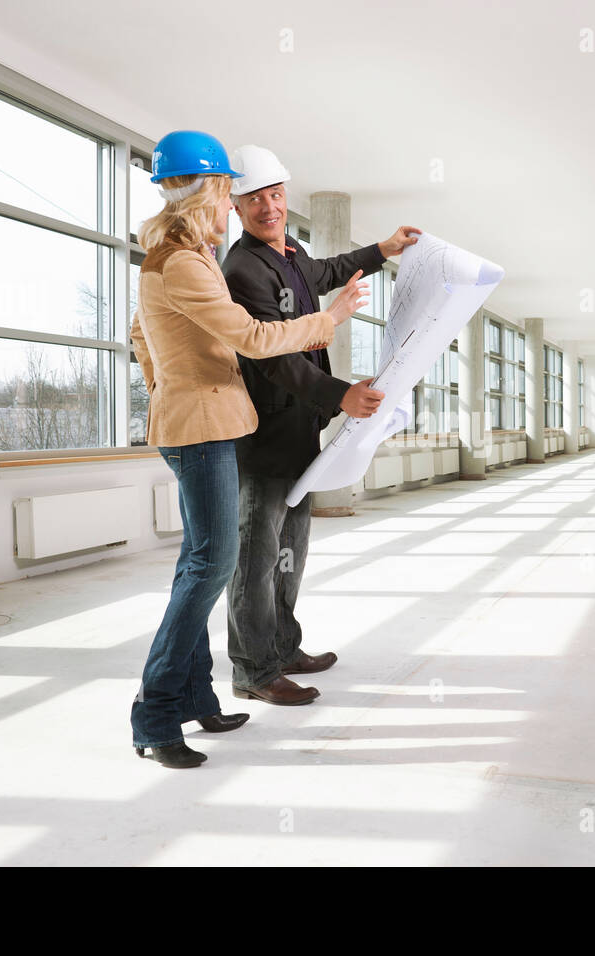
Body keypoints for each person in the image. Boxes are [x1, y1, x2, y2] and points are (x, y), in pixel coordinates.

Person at [128, 131, 368, 768]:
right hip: (202, 430)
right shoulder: (185, 260)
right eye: (231, 190)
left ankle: (196, 697)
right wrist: (332, 318)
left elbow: (139, 336)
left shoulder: (179, 253)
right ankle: (154, 715)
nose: (237, 201)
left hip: (196, 422)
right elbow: (254, 338)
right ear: (212, 191)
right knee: (211, 568)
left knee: (201, 566)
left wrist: (164, 388)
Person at [221, 144, 420, 705]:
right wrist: (342, 395)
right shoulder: (241, 270)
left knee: (290, 554)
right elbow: (273, 358)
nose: (269, 207)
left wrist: (383, 249)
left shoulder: (290, 252)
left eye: (276, 195)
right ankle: (253, 672)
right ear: (236, 206)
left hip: (300, 434)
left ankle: (283, 647)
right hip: (262, 439)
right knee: (255, 562)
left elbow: (327, 270)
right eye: (255, 199)